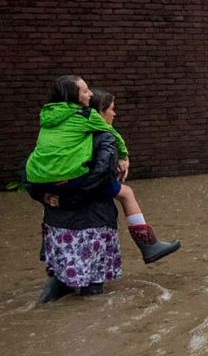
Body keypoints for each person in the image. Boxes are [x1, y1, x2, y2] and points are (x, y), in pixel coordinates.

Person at [25, 76, 180, 303]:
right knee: (93, 295)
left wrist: (44, 195)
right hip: (91, 226)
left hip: (57, 228)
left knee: (59, 283)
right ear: (99, 112)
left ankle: (47, 309)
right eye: (111, 109)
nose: (115, 114)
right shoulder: (103, 136)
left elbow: (31, 171)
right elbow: (101, 177)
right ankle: (147, 246)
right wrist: (72, 198)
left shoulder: (52, 129)